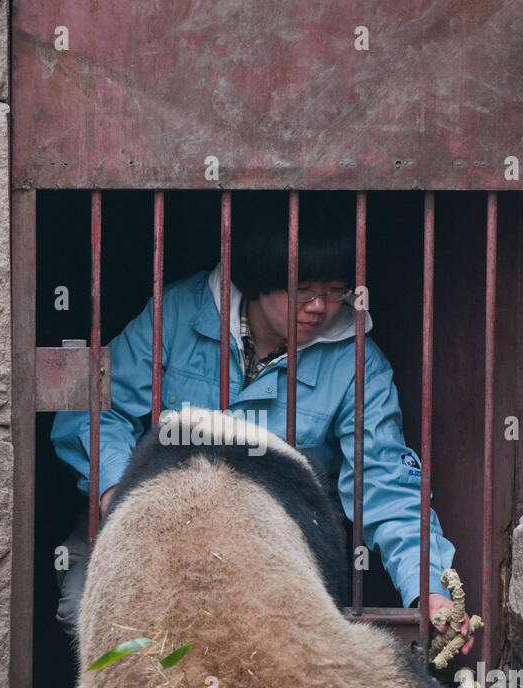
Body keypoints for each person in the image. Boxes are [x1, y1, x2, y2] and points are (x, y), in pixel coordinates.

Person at [51, 193, 469, 647]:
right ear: (258, 276)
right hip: (158, 526)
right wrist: (119, 492)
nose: (320, 306)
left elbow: (384, 482)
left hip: (274, 547)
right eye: (303, 288)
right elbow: (95, 407)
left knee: (252, 651)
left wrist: (428, 588)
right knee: (88, 615)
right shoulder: (177, 313)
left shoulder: (358, 363)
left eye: (334, 290)